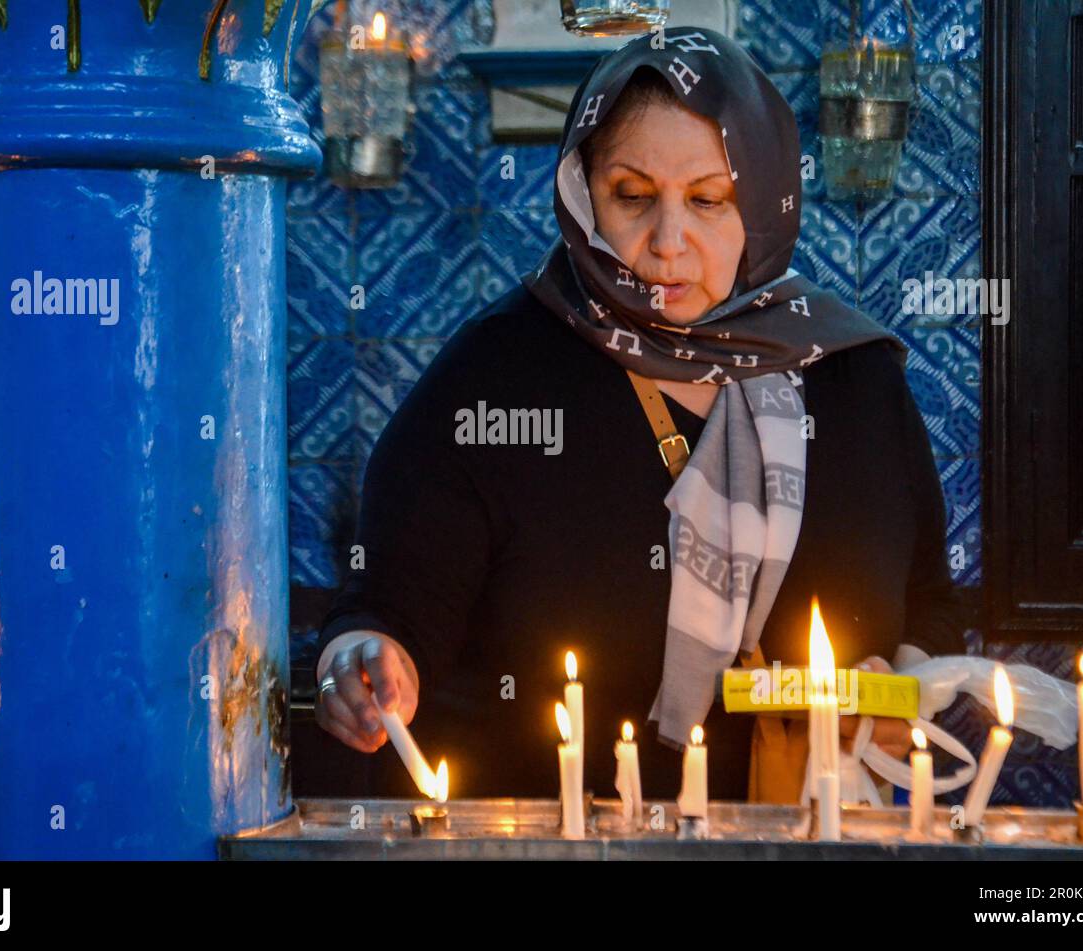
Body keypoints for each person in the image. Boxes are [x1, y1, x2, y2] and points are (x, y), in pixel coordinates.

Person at [313, 26, 967, 800]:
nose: (667, 243)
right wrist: (359, 666)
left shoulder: (852, 380)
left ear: (760, 203)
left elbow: (930, 612)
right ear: (584, 193)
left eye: (707, 200)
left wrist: (912, 691)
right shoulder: (496, 378)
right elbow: (385, 614)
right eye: (632, 196)